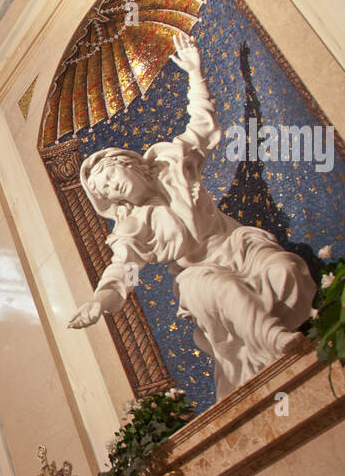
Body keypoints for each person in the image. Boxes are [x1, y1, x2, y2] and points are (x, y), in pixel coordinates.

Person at [67, 32, 314, 399]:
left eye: (109, 176)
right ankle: (274, 341)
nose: (108, 188)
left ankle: (272, 338)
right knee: (224, 288)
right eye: (102, 190)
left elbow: (201, 124)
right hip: (196, 274)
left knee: (287, 271)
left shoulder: (175, 165)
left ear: (128, 164)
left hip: (238, 246)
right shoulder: (133, 229)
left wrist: (195, 75)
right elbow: (122, 272)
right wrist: (99, 303)